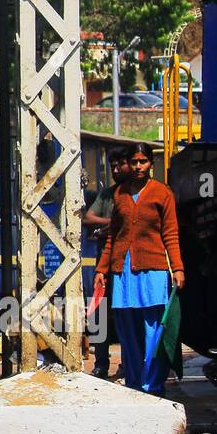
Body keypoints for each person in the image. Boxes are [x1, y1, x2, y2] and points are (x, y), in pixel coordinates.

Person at [92, 142, 184, 394]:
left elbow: (171, 233)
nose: (138, 166)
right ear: (128, 165)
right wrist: (102, 270)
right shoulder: (119, 195)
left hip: (152, 269)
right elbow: (113, 236)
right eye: (134, 162)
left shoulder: (162, 193)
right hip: (123, 272)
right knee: (127, 328)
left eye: (143, 162)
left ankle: (152, 384)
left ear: (151, 164)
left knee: (153, 326)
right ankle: (134, 383)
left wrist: (177, 268)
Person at [83, 148, 130, 377]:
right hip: (104, 263)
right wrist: (113, 222)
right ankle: (101, 363)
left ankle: (128, 362)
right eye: (112, 165)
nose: (115, 170)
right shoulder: (106, 195)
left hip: (129, 266)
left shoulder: (134, 194)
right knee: (99, 313)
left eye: (119, 164)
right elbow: (88, 217)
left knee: (125, 315)